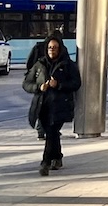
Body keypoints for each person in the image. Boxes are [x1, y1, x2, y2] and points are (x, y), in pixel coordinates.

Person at [22, 35, 82, 176]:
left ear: (60, 49)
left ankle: (45, 162)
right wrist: (38, 87)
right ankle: (57, 156)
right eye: (49, 47)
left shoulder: (67, 65)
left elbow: (76, 83)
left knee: (51, 132)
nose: (52, 50)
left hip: (60, 105)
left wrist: (59, 85)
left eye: (55, 48)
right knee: (52, 133)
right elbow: (26, 83)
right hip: (43, 106)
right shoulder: (39, 65)